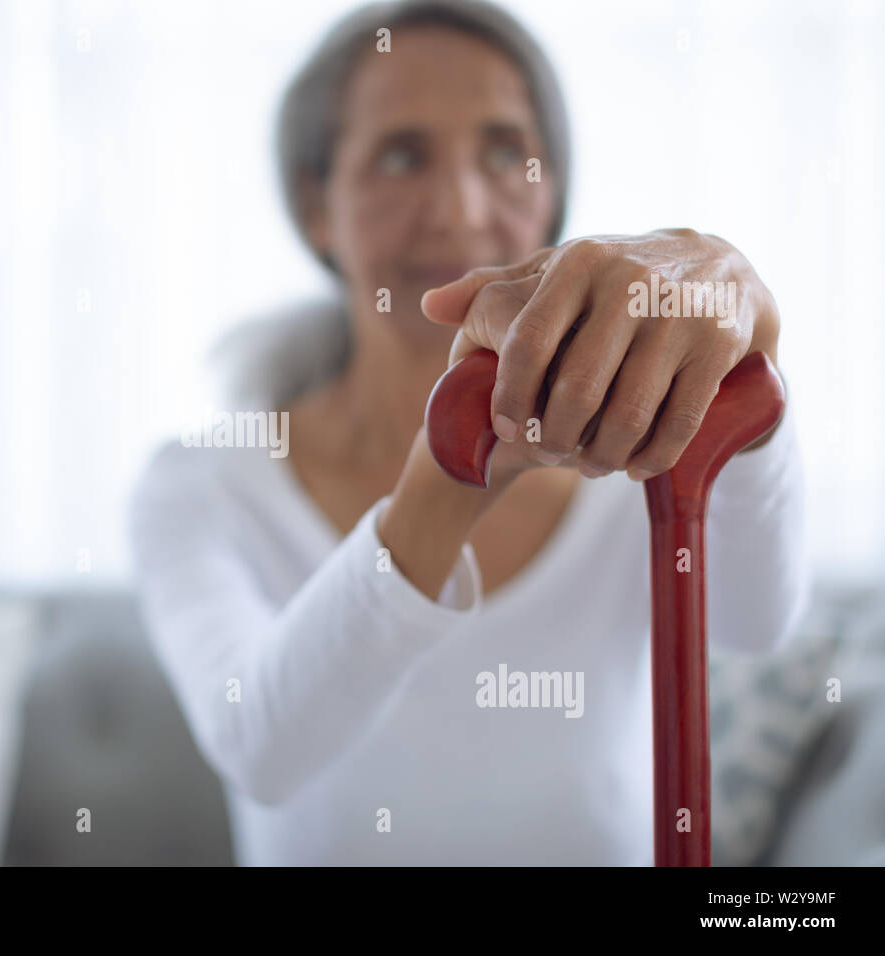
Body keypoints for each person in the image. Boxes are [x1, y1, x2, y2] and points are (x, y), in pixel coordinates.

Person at [127, 0, 809, 865]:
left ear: (553, 188)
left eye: (504, 153)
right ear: (315, 206)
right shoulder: (202, 485)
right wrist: (452, 471)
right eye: (401, 155)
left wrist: (743, 364)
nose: (457, 209)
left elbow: (757, 624)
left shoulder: (636, 452)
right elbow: (260, 747)